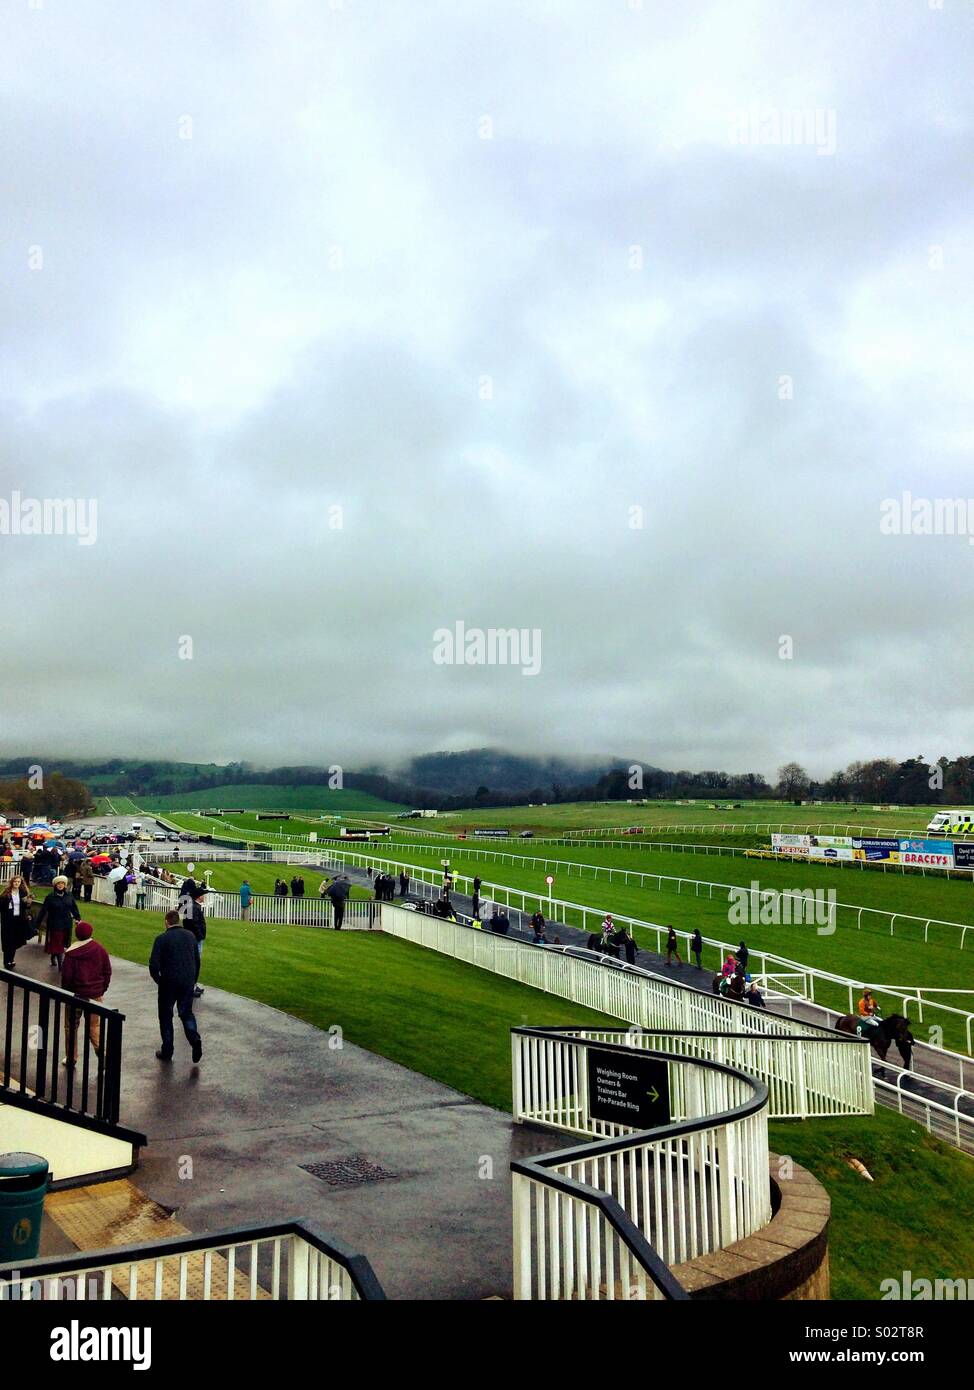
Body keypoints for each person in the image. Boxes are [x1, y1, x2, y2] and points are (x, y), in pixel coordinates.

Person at [149, 909, 203, 1064]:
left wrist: (159, 980)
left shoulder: (161, 939)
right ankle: (194, 1039)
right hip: (187, 981)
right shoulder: (190, 936)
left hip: (168, 982)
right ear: (178, 921)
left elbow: (153, 965)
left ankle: (167, 1049)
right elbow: (197, 961)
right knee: (186, 1013)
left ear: (167, 922)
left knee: (166, 1016)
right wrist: (193, 980)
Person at [61, 922, 112, 1066]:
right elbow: (107, 970)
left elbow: (67, 977)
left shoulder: (71, 953)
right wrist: (102, 988)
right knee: (94, 1027)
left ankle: (71, 1057)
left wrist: (67, 991)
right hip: (95, 995)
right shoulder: (99, 949)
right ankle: (102, 1054)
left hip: (76, 995)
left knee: (71, 1027)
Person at [36, 876, 81, 970]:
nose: (60, 885)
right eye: (58, 883)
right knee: (58, 944)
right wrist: (37, 923)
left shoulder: (69, 895)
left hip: (66, 923)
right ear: (55, 885)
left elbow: (74, 907)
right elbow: (43, 911)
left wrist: (78, 918)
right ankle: (61, 966)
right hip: (55, 923)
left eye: (62, 883)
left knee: (63, 943)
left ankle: (53, 956)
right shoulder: (50, 897)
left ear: (65, 885)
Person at [1, 874, 35, 970]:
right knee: (8, 941)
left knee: (15, 941)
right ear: (12, 882)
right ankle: (6, 961)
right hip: (8, 921)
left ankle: (11, 959)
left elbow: (25, 907)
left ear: (21, 883)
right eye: (15, 881)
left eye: (19, 882)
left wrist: (29, 902)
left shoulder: (22, 892)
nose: (17, 883)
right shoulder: (6, 893)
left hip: (18, 921)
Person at [186, 887, 208, 998]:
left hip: (193, 938)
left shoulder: (191, 906)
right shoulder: (194, 907)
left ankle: (193, 985)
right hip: (195, 939)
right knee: (195, 964)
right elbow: (193, 924)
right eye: (203, 895)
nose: (204, 897)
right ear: (199, 896)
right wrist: (199, 936)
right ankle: (191, 987)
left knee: (194, 963)